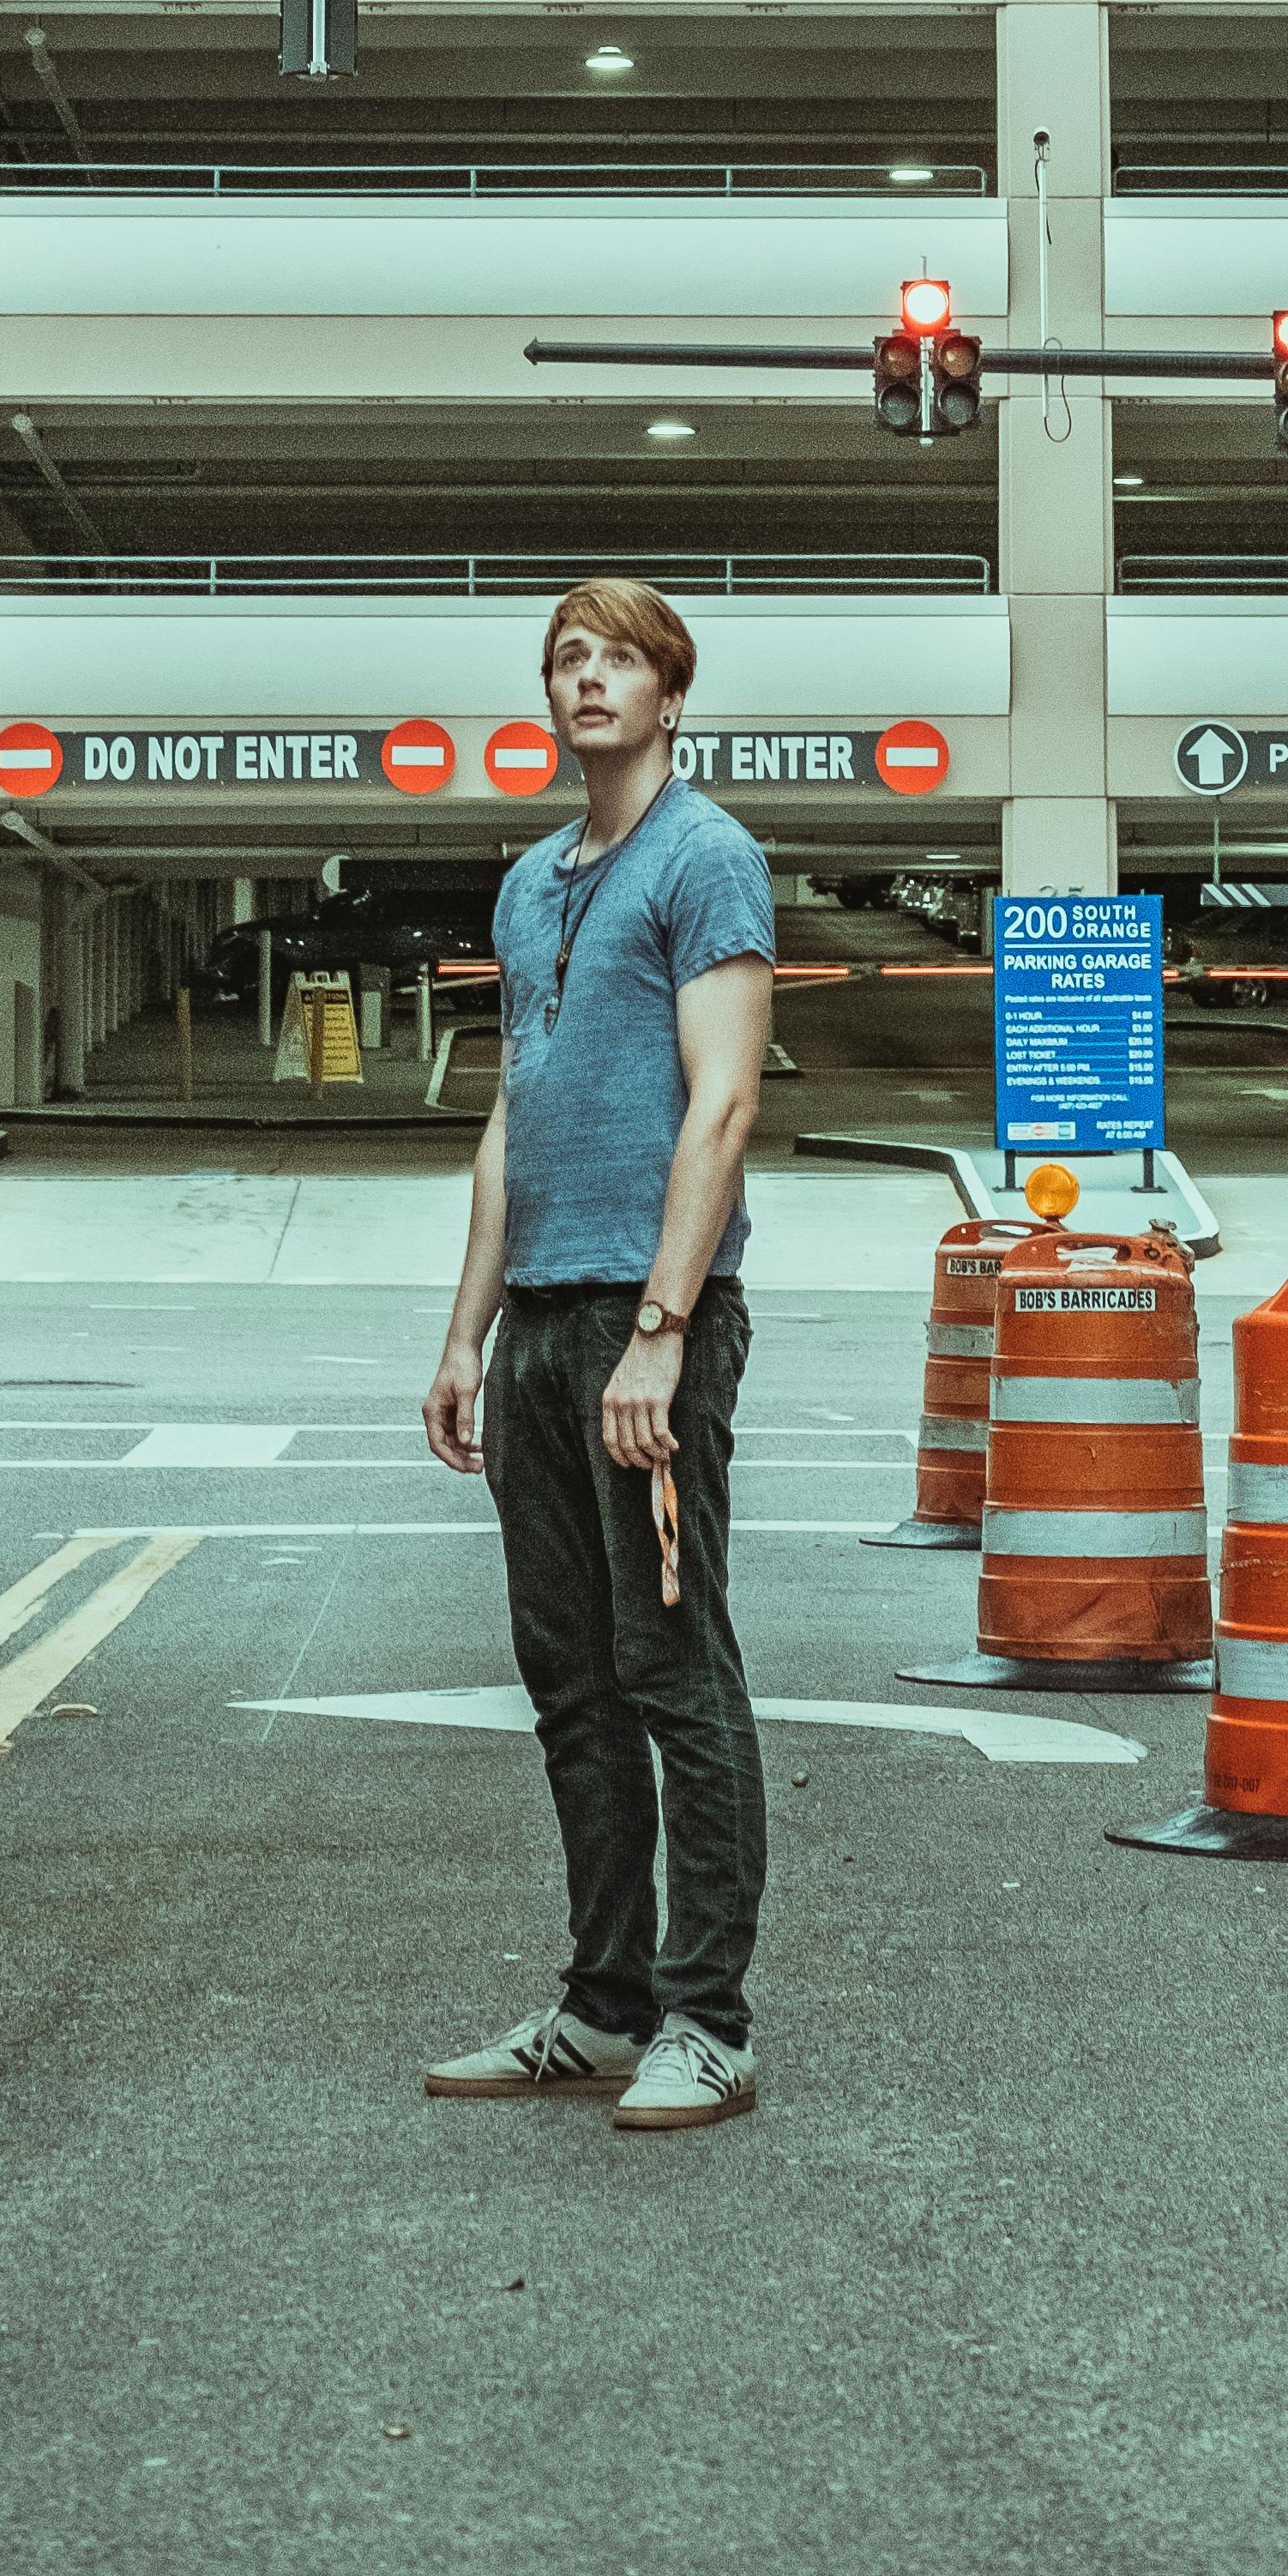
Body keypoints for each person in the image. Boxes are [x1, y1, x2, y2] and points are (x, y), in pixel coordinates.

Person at [418, 576, 776, 2133]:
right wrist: (464, 1332)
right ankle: (603, 2003)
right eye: (566, 658)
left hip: (649, 1331)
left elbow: (723, 1105)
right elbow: (515, 1114)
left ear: (670, 694)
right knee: (566, 1676)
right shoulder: (528, 884)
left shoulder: (708, 859)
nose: (587, 680)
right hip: (542, 1332)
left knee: (672, 1669)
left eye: (617, 658)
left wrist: (661, 1332)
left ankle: (711, 2018)